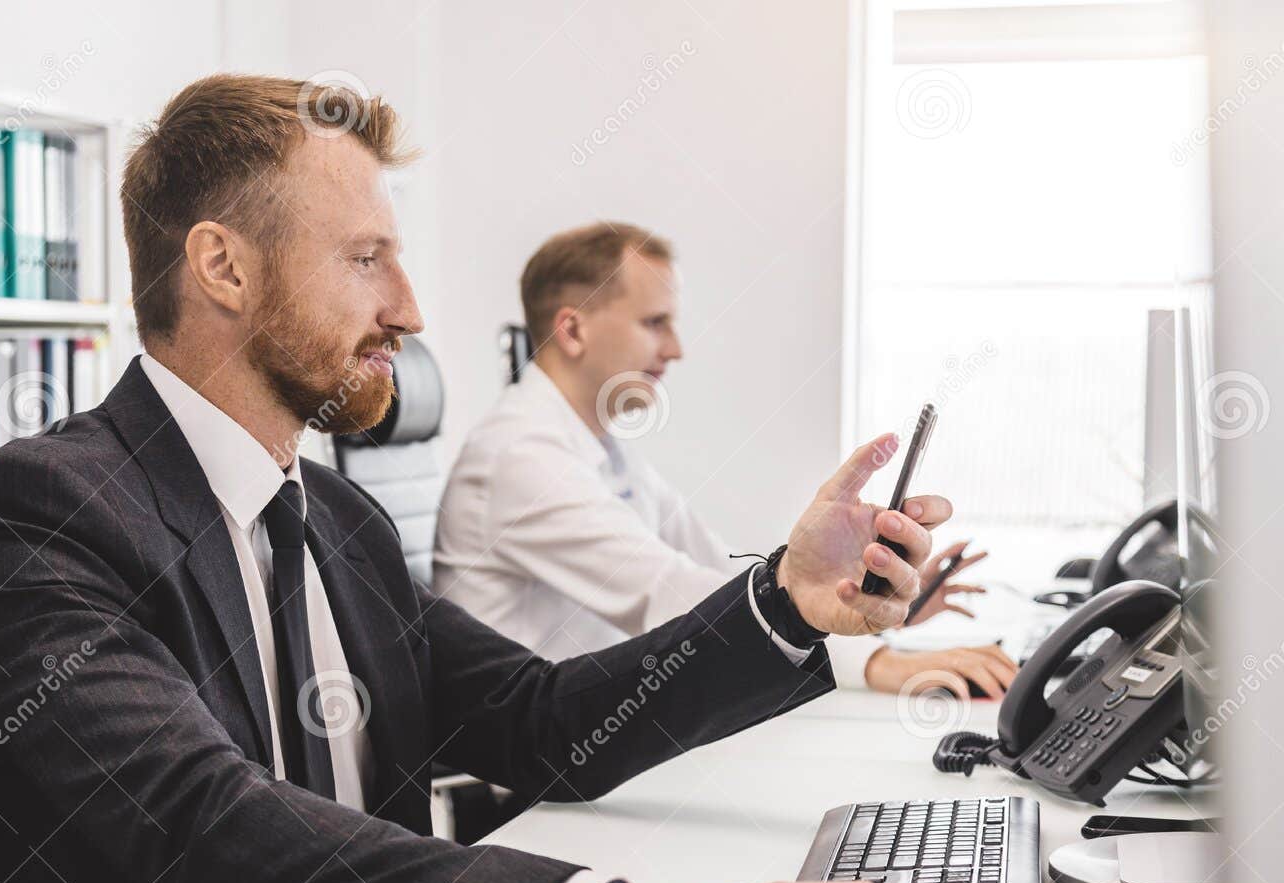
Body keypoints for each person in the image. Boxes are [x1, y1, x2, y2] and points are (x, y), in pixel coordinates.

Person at [0, 75, 941, 883]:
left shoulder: (337, 520)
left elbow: (543, 723)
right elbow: (199, 819)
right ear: (224, 269)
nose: (409, 309)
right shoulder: (38, 515)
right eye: (366, 258)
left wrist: (785, 604)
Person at [435, 222, 1015, 701]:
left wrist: (855, 605)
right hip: (527, 789)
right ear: (573, 329)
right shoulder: (520, 456)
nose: (676, 348)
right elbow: (666, 596)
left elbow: (715, 569)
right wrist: (871, 659)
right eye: (654, 322)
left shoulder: (597, 448)